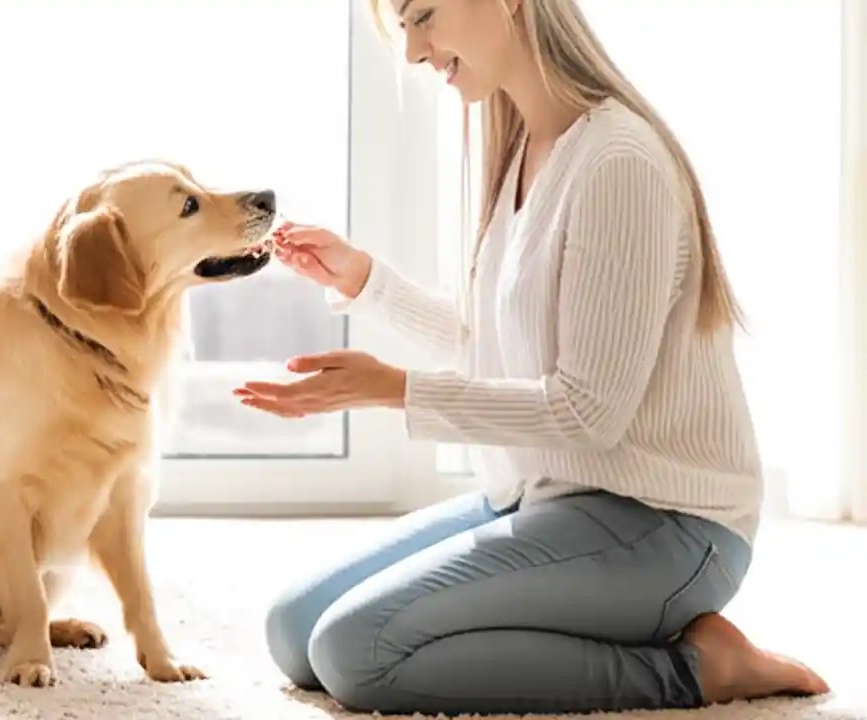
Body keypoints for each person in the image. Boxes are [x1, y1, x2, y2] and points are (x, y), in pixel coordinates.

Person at [233, 0, 830, 715]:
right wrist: (365, 280)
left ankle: (698, 669)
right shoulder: (524, 149)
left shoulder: (618, 162)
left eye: (423, 15)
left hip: (667, 526)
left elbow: (588, 410)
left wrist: (397, 390)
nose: (414, 52)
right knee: (295, 629)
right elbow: (498, 347)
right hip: (551, 498)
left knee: (355, 652)